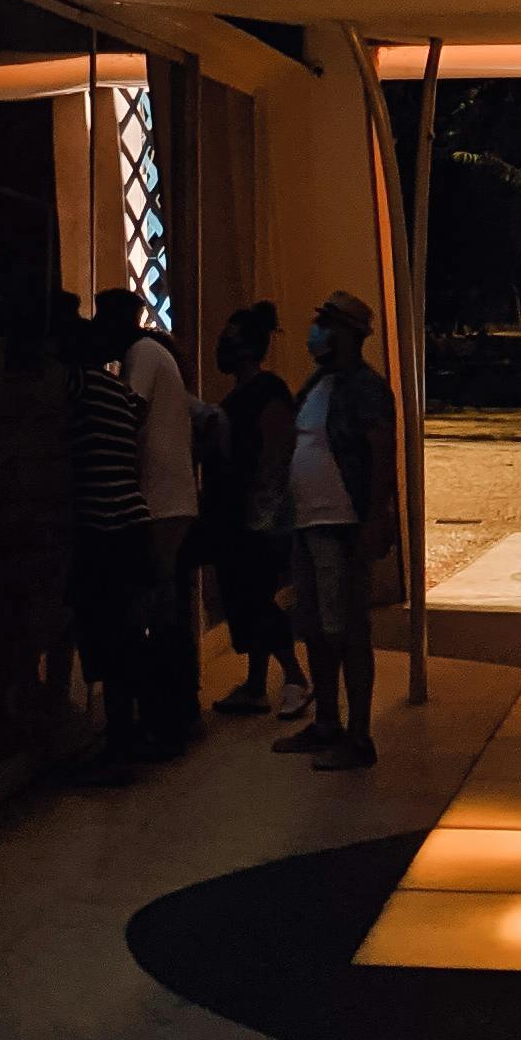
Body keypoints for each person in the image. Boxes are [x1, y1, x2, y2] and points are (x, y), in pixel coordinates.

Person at [273, 289, 397, 771]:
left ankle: (358, 735)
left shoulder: (365, 389)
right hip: (308, 522)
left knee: (346, 629)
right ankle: (327, 722)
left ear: (346, 334)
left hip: (341, 523)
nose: (315, 333)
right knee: (316, 628)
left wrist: (376, 516)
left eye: (324, 324)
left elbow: (381, 453)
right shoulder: (318, 383)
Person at [103, 285, 201, 756]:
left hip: (159, 499)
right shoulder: (157, 354)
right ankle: (177, 712)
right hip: (173, 497)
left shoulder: (141, 354)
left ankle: (166, 717)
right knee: (167, 607)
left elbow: (129, 412)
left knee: (157, 610)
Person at [201, 303, 304, 718]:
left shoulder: (266, 392)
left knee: (255, 599)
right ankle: (256, 683)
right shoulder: (241, 397)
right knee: (248, 598)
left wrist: (262, 513)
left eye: (228, 340)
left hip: (255, 518)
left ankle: (295, 676)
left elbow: (276, 455)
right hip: (238, 515)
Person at [65, 293, 151, 785]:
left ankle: (115, 747)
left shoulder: (78, 386)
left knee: (103, 635)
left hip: (101, 528)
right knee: (126, 636)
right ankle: (124, 735)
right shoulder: (120, 393)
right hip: (132, 525)